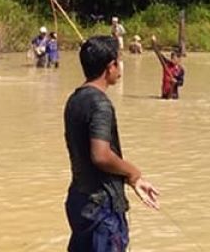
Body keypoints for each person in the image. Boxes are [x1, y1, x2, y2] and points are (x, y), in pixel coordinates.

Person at [63, 35, 160, 251]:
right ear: (110, 67)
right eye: (118, 61)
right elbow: (101, 156)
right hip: (101, 209)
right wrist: (134, 172)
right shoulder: (101, 104)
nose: (120, 67)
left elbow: (87, 157)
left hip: (79, 199)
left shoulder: (74, 99)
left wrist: (131, 181)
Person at [150, 35, 184, 99]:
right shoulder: (166, 64)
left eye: (174, 58)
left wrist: (176, 82)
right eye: (172, 58)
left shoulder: (180, 70)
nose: (172, 59)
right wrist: (154, 43)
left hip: (173, 95)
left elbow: (181, 83)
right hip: (164, 94)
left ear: (179, 59)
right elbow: (159, 54)